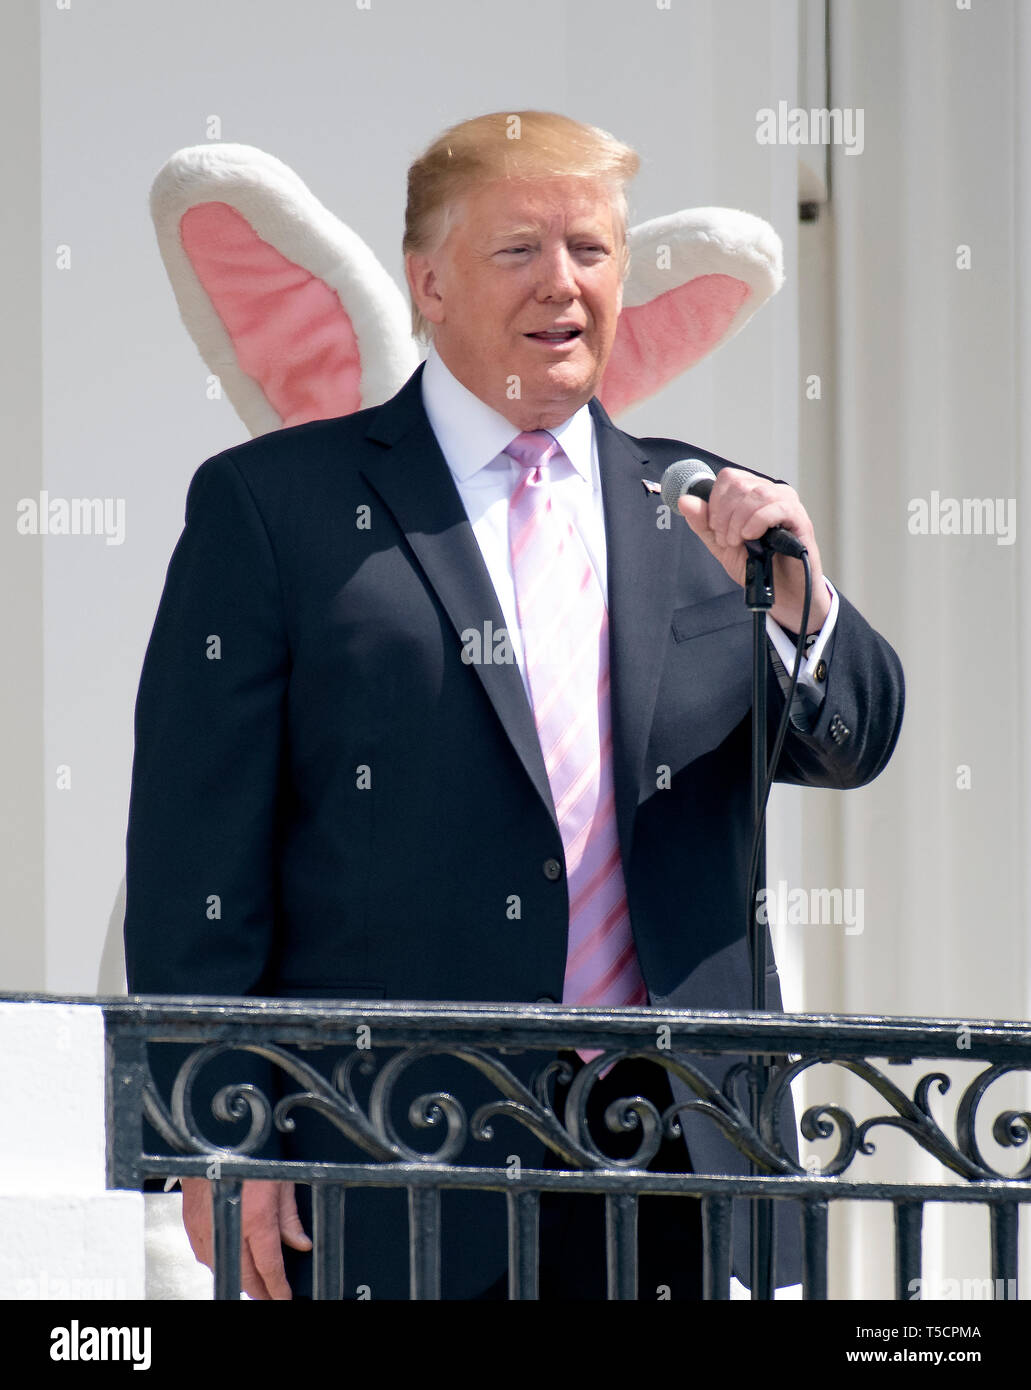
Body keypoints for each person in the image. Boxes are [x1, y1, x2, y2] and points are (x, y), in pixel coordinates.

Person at [124, 110, 904, 1300]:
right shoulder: (275, 507)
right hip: (394, 1151)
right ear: (426, 284)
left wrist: (798, 595)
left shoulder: (699, 511)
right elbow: (196, 849)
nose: (564, 285)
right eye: (518, 251)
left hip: (682, 1160)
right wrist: (214, 1130)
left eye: (591, 251)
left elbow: (852, 740)